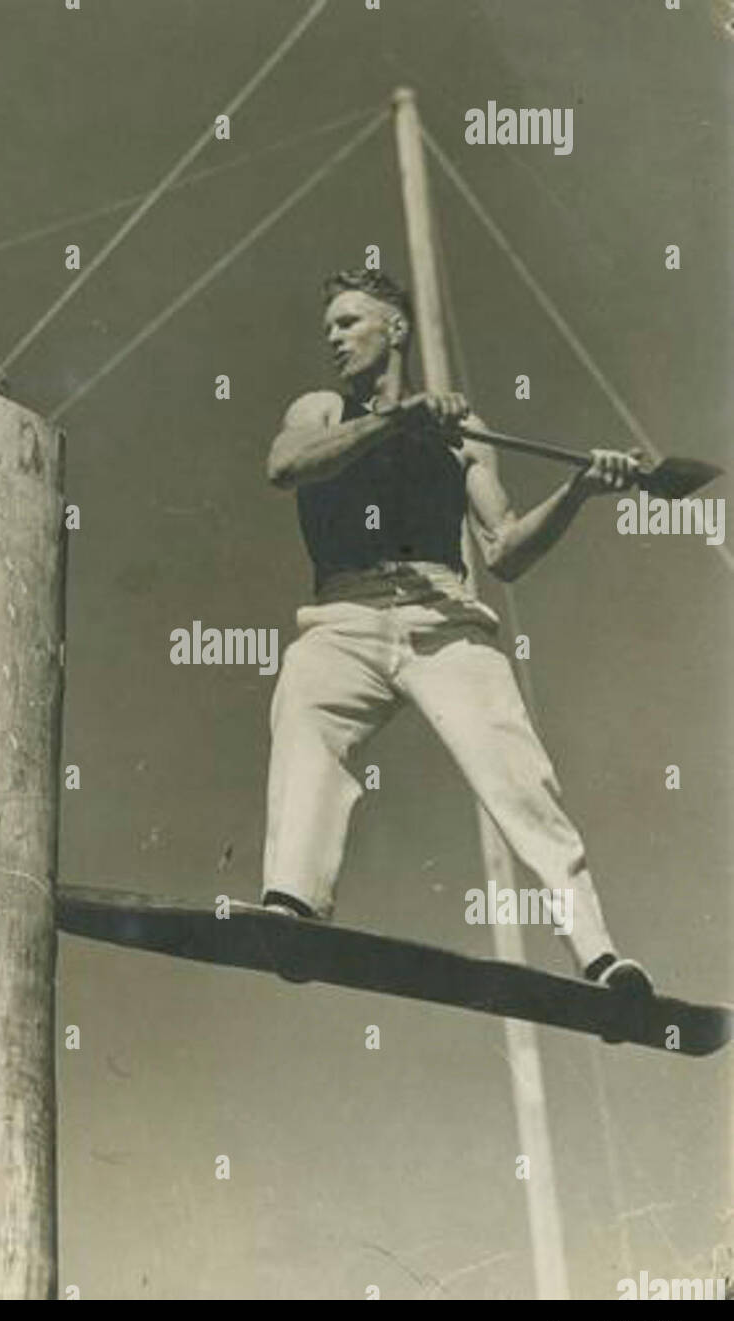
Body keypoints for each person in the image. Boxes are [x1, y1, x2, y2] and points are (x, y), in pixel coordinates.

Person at [252, 268, 652, 1000]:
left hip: (444, 615)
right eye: (329, 329)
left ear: (394, 328)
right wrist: (394, 421)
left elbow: (504, 550)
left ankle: (598, 953)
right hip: (345, 615)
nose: (334, 339)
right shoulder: (319, 406)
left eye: (348, 322)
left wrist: (578, 490)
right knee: (304, 713)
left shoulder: (462, 437)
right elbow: (285, 466)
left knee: (518, 774)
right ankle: (293, 905)